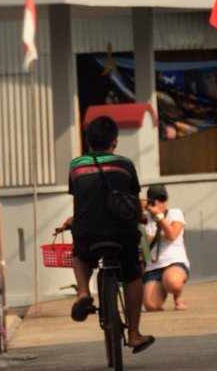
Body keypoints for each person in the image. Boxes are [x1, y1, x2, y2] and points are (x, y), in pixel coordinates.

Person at [65, 115, 155, 354]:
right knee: (133, 273)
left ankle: (84, 292)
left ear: (88, 140)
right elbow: (135, 202)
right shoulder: (125, 164)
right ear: (114, 142)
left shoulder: (76, 165)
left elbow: (81, 202)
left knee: (80, 255)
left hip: (88, 231)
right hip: (122, 233)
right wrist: (140, 218)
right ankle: (134, 334)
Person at [141, 184, 190, 312]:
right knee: (151, 306)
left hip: (174, 262)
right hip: (153, 267)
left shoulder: (175, 213)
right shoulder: (144, 218)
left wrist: (160, 216)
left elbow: (172, 235)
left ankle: (177, 296)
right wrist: (136, 207)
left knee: (172, 283)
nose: (159, 204)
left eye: (162, 200)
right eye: (154, 201)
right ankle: (161, 287)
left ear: (167, 200)